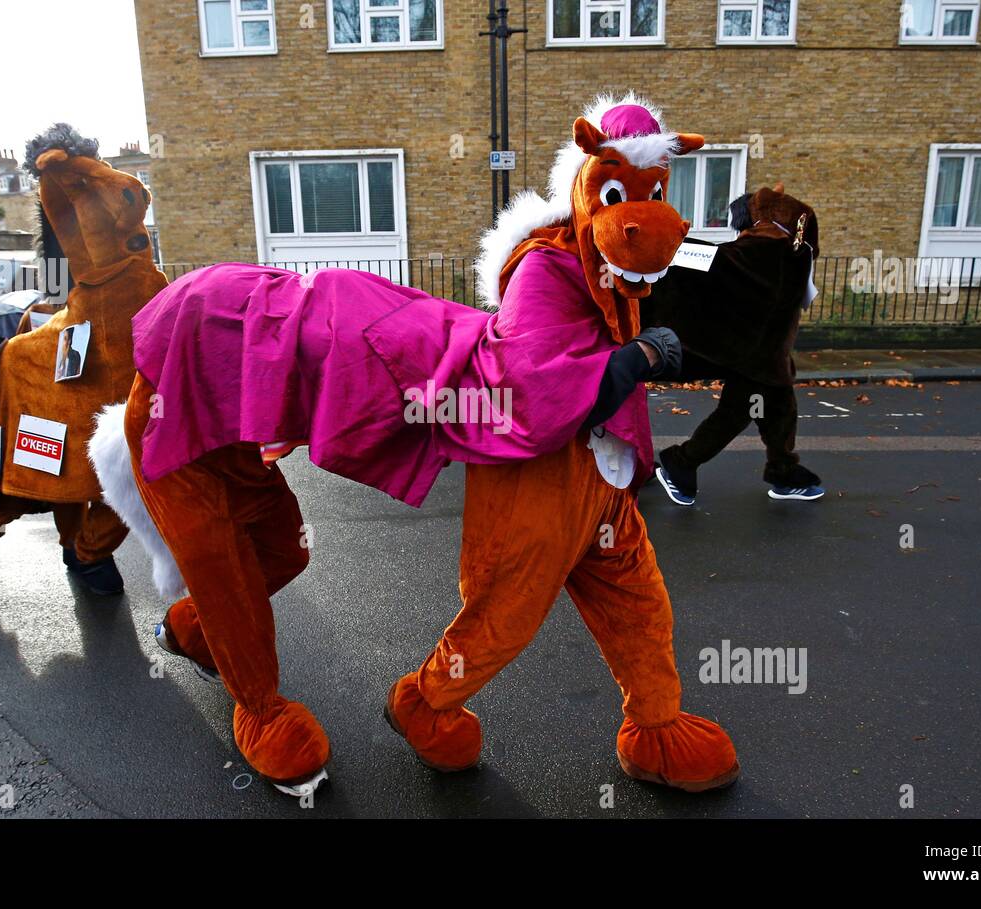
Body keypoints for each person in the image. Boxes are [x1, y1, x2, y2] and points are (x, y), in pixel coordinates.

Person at [92, 96, 739, 796]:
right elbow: (519, 389)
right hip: (185, 394)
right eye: (618, 191)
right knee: (226, 566)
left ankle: (193, 630)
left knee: (284, 549)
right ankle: (267, 704)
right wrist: (634, 360)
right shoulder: (544, 277)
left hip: (587, 470)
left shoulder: (594, 274)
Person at [0, 124, 167, 596]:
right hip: (63, 366)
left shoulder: (115, 216)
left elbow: (132, 197)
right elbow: (71, 266)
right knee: (40, 466)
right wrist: (66, 171)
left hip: (116, 368)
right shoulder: (73, 204)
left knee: (128, 471)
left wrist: (81, 167)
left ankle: (87, 552)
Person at [644, 184, 824, 505]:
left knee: (775, 411)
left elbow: (714, 263)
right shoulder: (771, 249)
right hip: (757, 361)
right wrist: (672, 246)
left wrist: (676, 248)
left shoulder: (771, 248)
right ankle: (681, 463)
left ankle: (781, 471)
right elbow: (714, 263)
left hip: (768, 359)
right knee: (739, 413)